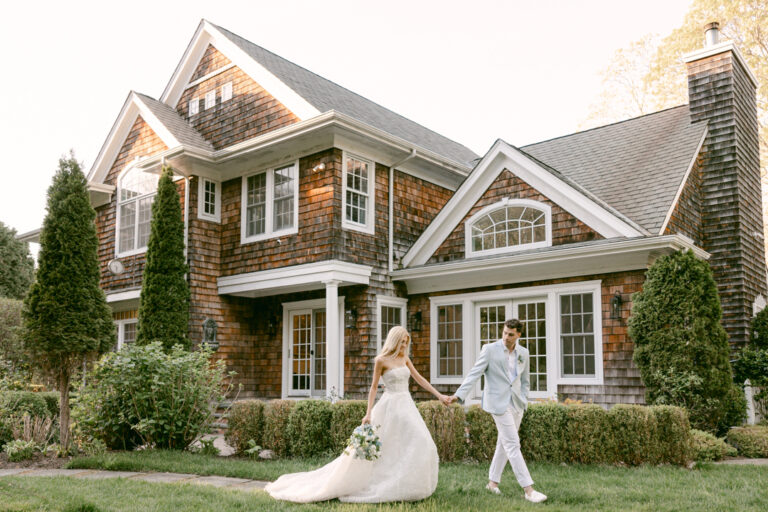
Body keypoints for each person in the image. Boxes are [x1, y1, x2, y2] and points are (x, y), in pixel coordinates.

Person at [265, 326, 448, 503]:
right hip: (390, 405)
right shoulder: (381, 360)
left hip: (406, 405)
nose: (403, 347)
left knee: (422, 442)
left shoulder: (405, 359)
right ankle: (385, 484)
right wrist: (368, 413)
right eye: (401, 342)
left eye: (406, 343)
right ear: (394, 341)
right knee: (386, 448)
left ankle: (409, 485)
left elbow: (419, 379)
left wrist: (440, 395)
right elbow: (374, 387)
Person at [447, 318, 547, 503]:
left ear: (518, 335)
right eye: (504, 333)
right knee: (512, 444)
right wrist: (458, 395)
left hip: (516, 404)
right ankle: (529, 490)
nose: (506, 337)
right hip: (497, 403)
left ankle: (492, 484)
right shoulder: (489, 350)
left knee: (504, 443)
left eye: (511, 334)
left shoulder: (524, 352)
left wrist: (523, 399)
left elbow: (525, 380)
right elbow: (474, 373)